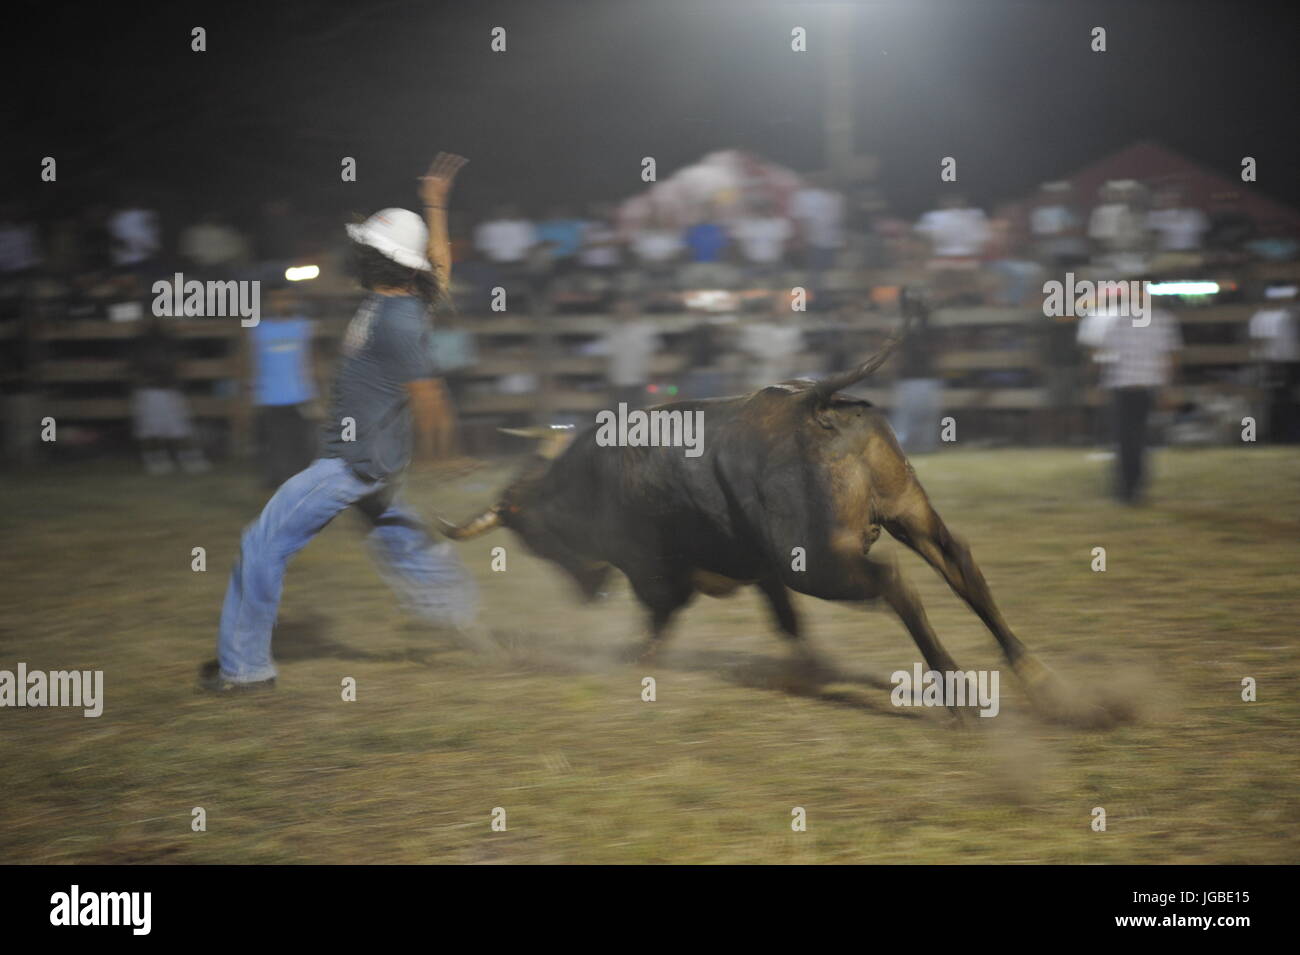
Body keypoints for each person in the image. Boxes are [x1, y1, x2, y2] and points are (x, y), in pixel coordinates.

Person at [201, 152, 483, 693]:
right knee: (402, 540)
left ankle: (244, 671)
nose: (360, 258)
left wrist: (447, 456)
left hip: (350, 465)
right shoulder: (405, 300)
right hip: (376, 462)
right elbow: (440, 267)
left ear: (383, 262)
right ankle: (464, 619)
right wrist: (434, 204)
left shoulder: (398, 320)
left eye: (369, 251)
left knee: (262, 545)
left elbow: (430, 400)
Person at [1078, 297, 1182, 504]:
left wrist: (1095, 382)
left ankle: (1126, 488)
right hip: (1146, 385)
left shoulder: (1112, 318)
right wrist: (1166, 388)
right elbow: (1169, 358)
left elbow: (1098, 355)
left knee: (1124, 439)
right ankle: (1136, 486)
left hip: (1121, 386)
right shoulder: (1161, 319)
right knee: (1140, 437)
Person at [250, 284, 320, 488]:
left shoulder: (302, 326)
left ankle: (302, 480)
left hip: (300, 393)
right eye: (277, 299)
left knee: (303, 441)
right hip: (270, 394)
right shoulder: (259, 329)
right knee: (274, 441)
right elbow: (251, 360)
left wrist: (316, 391)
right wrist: (250, 389)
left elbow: (312, 359)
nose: (282, 303)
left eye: (287, 298)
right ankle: (274, 479)